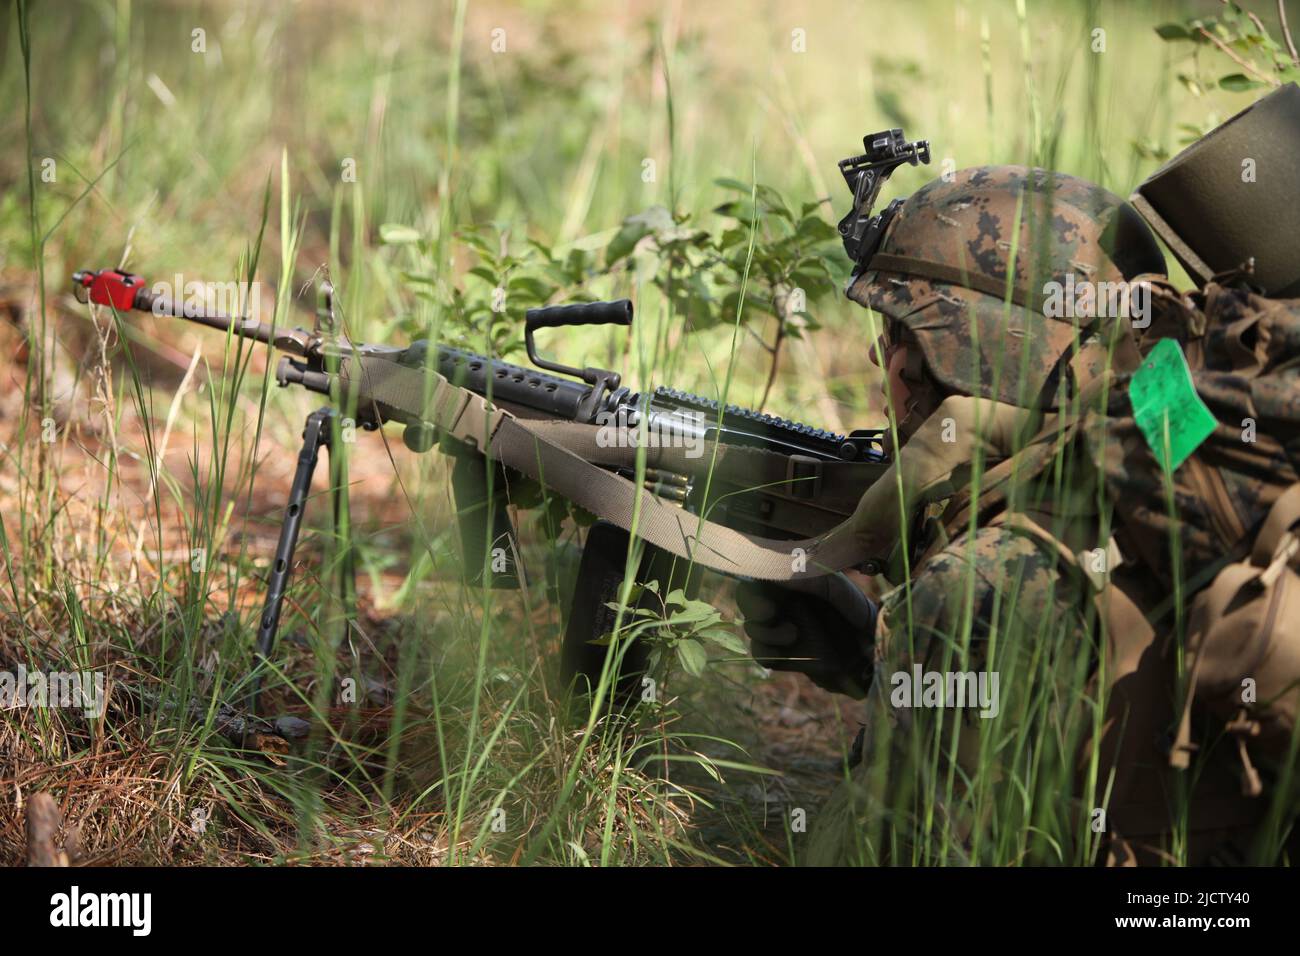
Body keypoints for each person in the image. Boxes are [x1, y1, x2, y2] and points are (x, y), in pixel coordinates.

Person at [737, 164, 1269, 865]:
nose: (881, 357)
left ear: (961, 350)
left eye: (898, 334)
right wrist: (878, 656)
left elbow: (877, 851)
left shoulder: (980, 583)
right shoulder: (1181, 497)